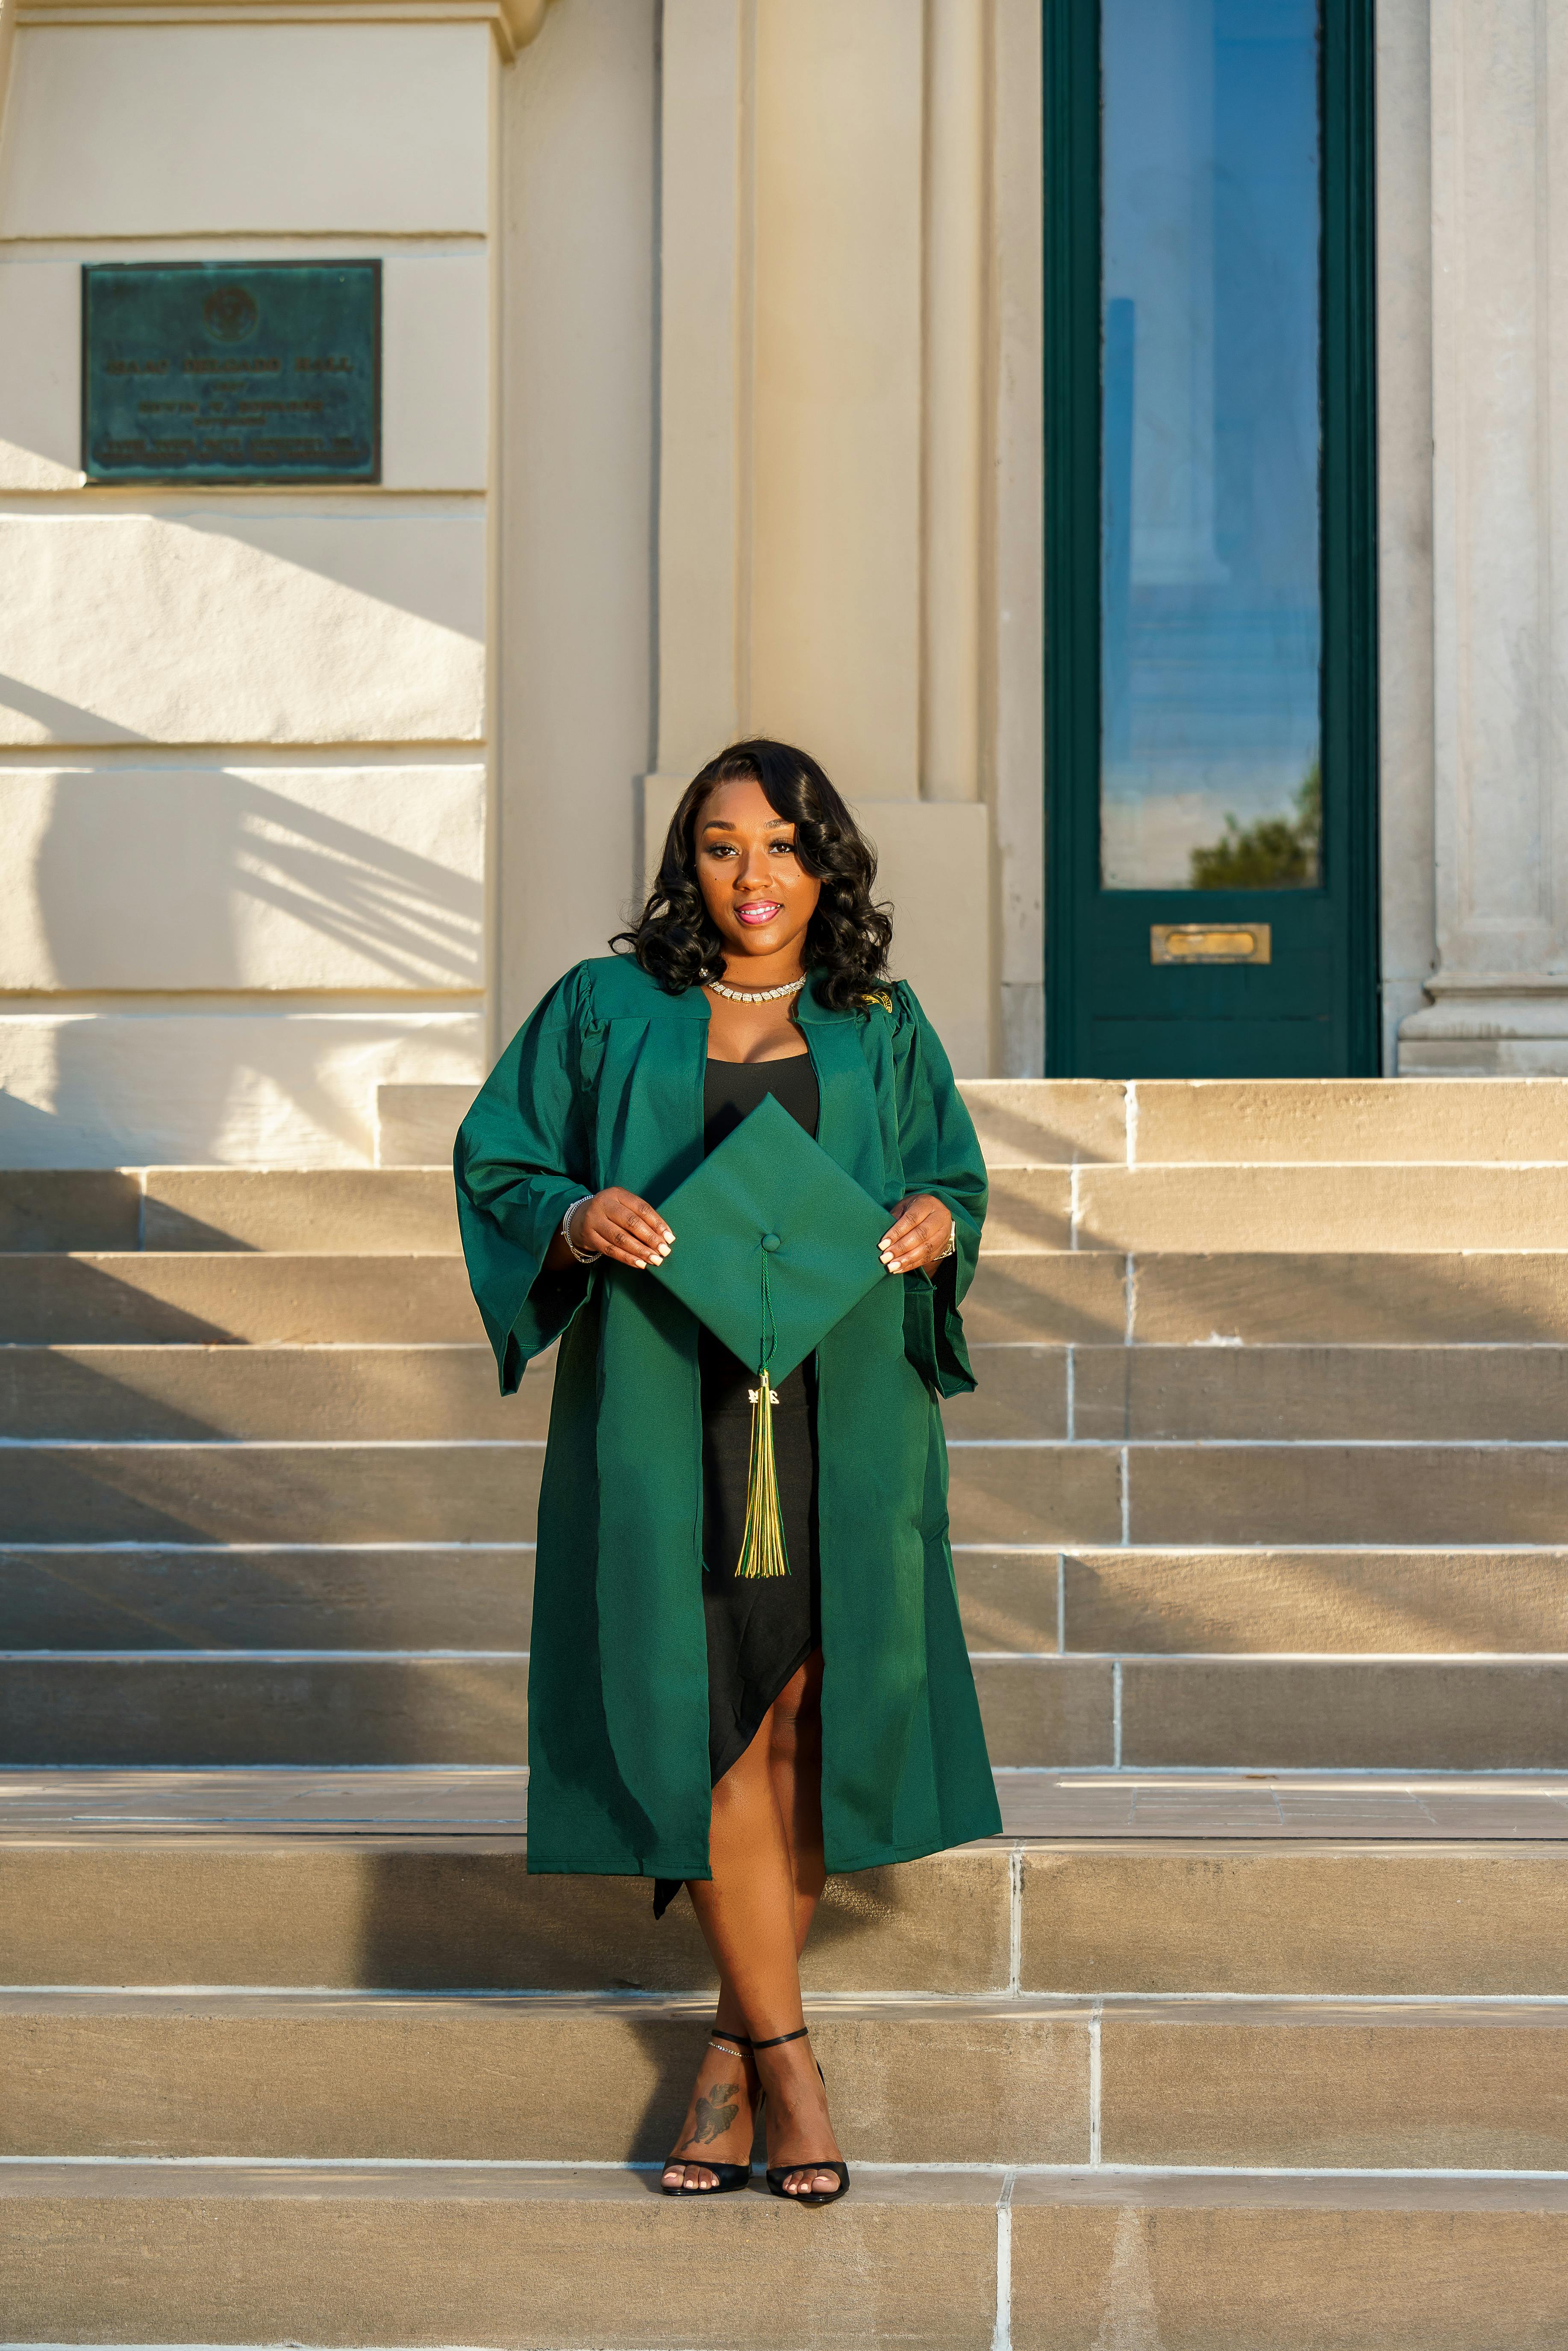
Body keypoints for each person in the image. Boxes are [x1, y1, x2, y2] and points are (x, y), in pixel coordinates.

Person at [454, 738, 1000, 2206]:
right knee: (695, 1708)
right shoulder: (607, 1005)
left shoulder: (878, 1020)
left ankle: (728, 2043)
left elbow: (950, 1171)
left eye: (784, 844)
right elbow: (501, 1162)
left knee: (812, 1707)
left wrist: (940, 1226)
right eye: (720, 846)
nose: (754, 879)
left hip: (845, 1402)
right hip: (660, 1401)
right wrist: (580, 1216)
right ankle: (791, 2061)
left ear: (830, 861)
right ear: (685, 862)